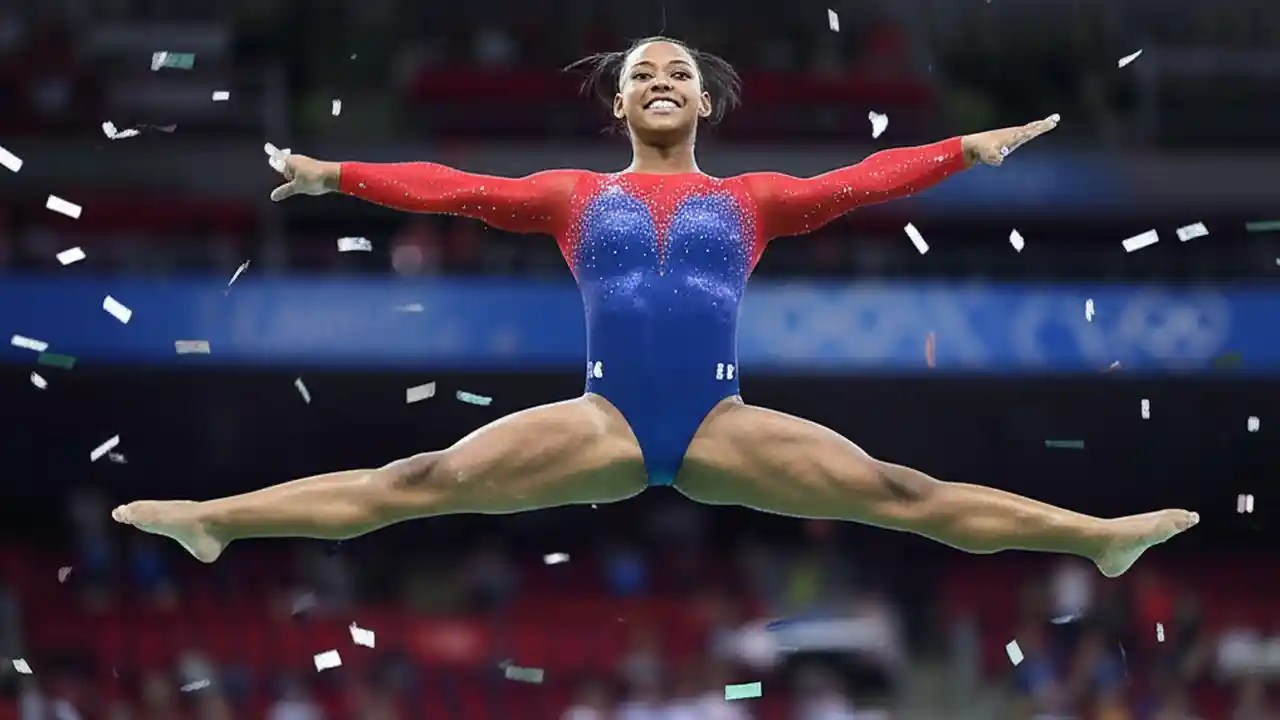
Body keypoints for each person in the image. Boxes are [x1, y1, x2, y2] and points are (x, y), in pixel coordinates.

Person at [113, 36, 1196, 577]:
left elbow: (860, 181)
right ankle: (215, 522)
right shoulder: (569, 196)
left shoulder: (754, 199)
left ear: (705, 99)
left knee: (898, 489)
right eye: (642, 73)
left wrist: (967, 146)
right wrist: (330, 174)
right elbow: (451, 187)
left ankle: (1097, 539)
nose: (662, 78)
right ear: (620, 102)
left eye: (679, 70)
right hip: (603, 419)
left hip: (723, 423)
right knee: (422, 481)